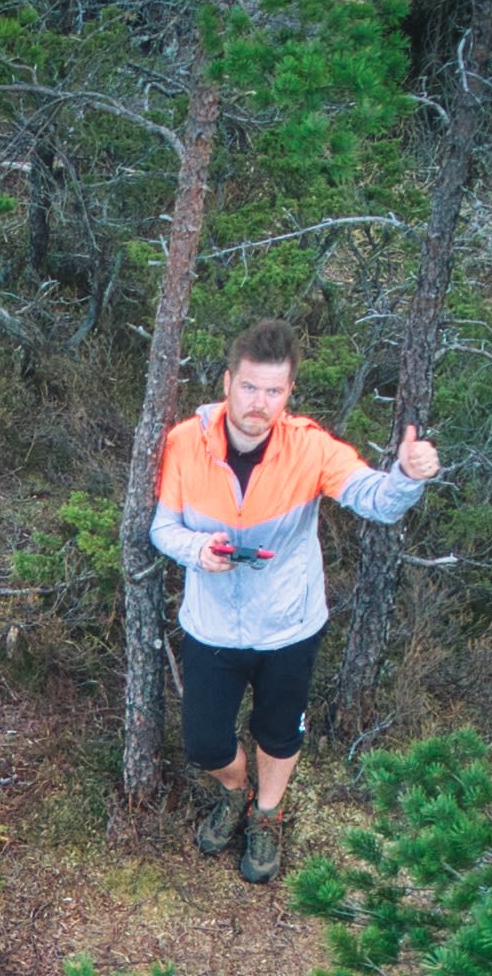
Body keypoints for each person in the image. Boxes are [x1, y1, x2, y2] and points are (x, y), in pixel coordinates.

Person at [147, 318, 440, 884]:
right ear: (227, 382)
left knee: (279, 732)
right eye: (249, 387)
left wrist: (406, 475)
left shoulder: (309, 447)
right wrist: (196, 550)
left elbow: (375, 500)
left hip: (289, 626)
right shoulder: (185, 442)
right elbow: (163, 527)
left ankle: (267, 813)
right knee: (205, 742)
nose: (259, 403)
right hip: (212, 625)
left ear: (289, 393)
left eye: (273, 391)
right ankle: (236, 790)